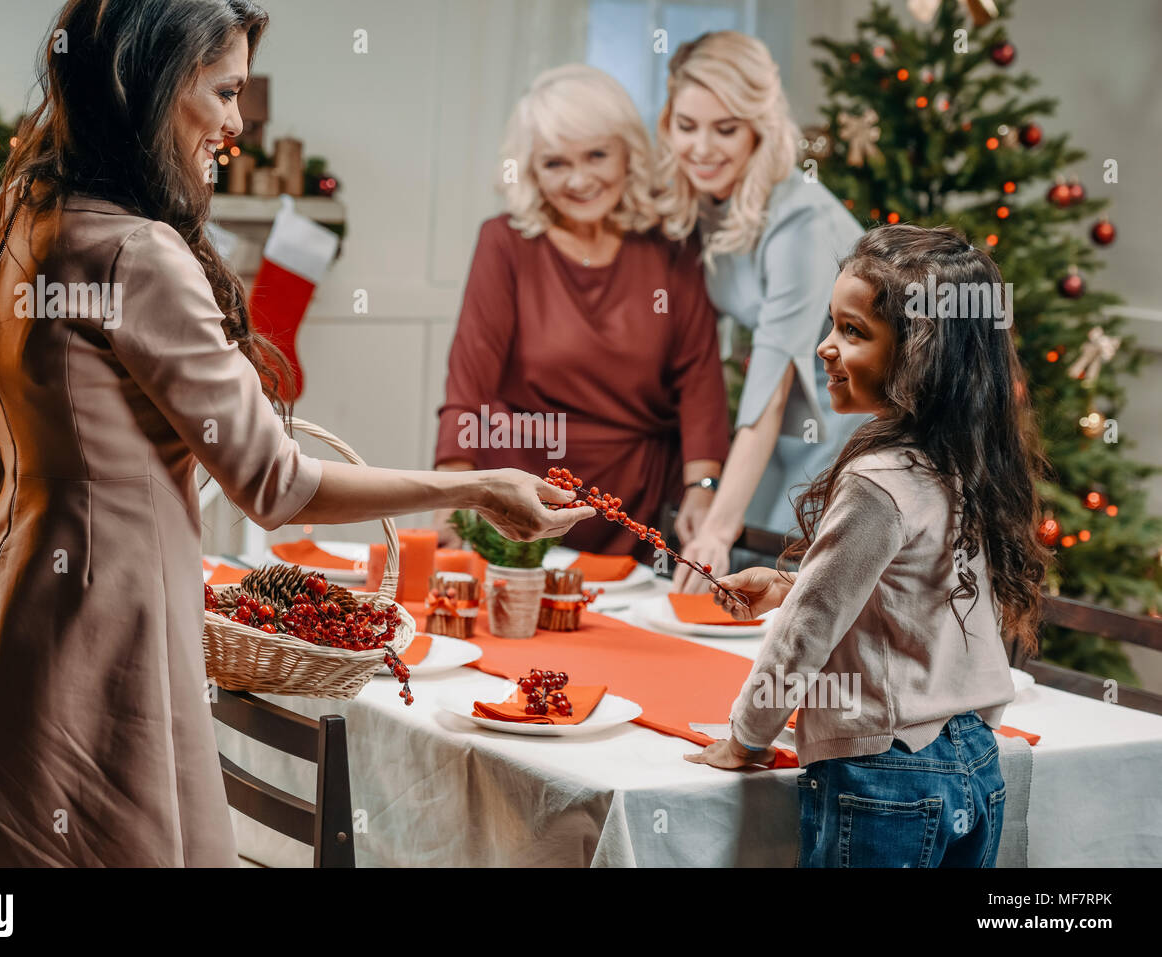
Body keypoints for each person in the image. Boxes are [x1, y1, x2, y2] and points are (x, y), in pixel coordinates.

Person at [0, 0, 591, 868]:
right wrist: (471, 484)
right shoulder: (140, 254)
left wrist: (72, 485)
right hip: (110, 630)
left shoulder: (1, 224)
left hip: (4, 606)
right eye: (226, 91)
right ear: (151, 82)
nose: (238, 122)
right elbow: (277, 487)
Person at [686, 225, 1053, 868]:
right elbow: (918, 597)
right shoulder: (968, 461)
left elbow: (805, 631)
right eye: (832, 324)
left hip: (886, 774)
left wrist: (746, 739)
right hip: (975, 759)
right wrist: (789, 583)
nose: (826, 348)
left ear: (920, 353)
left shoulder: (876, 481)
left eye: (853, 332)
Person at [432, 64, 729, 561]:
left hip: (636, 505)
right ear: (530, 170)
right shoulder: (505, 242)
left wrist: (703, 485)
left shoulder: (671, 246)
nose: (580, 179)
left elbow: (699, 376)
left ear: (628, 154)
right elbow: (469, 385)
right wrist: (450, 498)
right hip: (520, 501)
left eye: (596, 155)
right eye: (555, 163)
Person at [652, 31, 868, 590]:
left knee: (785, 580)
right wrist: (705, 487)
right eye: (687, 125)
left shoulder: (799, 224)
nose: (702, 148)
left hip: (860, 417)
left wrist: (718, 530)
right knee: (749, 568)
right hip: (791, 419)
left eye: (725, 129)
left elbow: (772, 383)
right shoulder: (705, 199)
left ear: (758, 130)